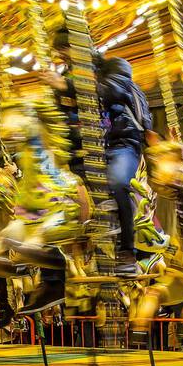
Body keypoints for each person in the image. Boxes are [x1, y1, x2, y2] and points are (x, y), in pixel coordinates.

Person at [42, 27, 148, 278]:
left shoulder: (115, 67)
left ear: (82, 46)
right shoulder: (64, 79)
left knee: (118, 183)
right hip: (83, 150)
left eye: (66, 49)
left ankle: (127, 251)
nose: (63, 56)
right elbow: (64, 119)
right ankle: (55, 270)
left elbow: (111, 92)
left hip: (120, 143)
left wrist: (66, 85)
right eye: (60, 52)